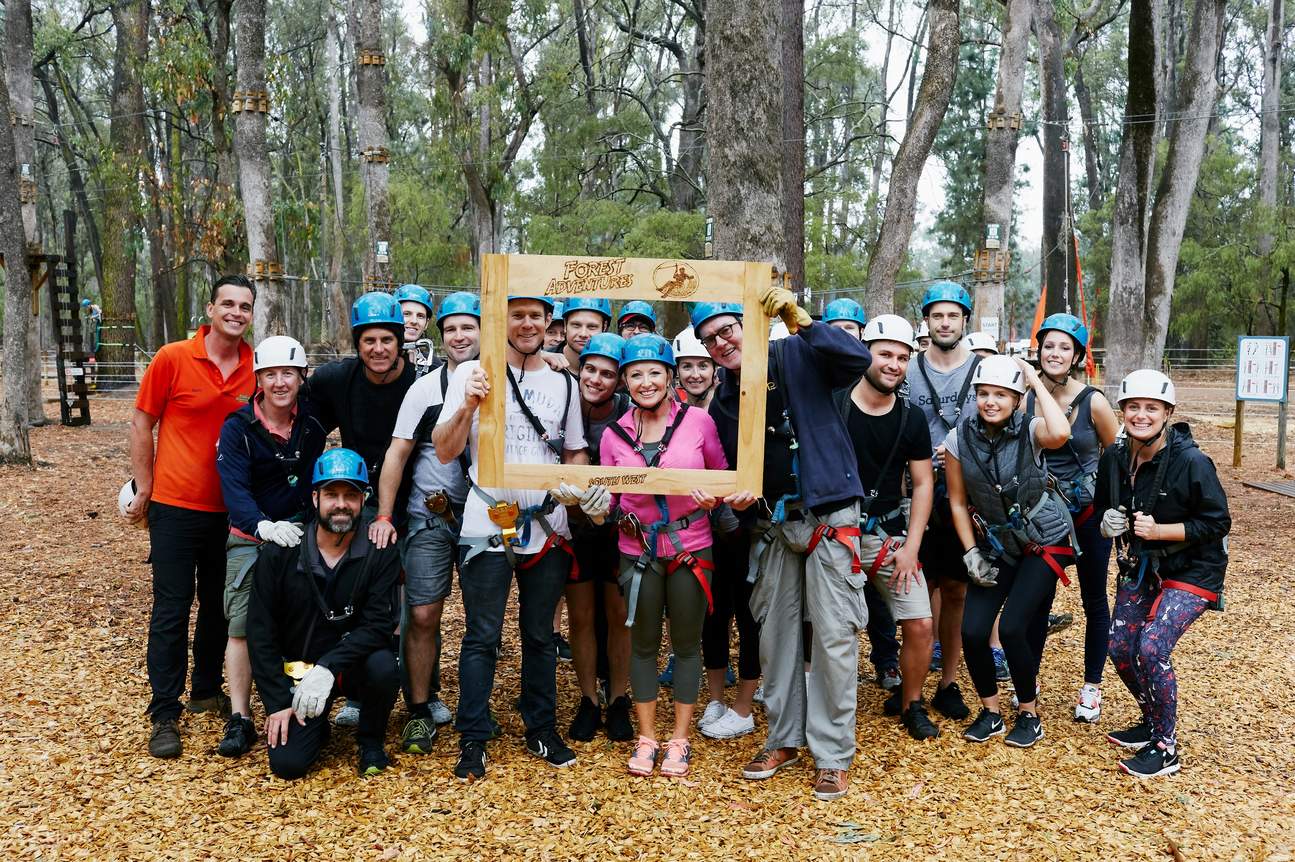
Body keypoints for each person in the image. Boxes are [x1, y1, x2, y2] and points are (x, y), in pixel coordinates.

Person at [695, 291, 873, 802]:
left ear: (748, 324)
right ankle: (784, 738)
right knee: (775, 636)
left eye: (727, 329)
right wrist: (729, 492)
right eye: (711, 339)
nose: (722, 343)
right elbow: (730, 464)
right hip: (773, 523)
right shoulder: (725, 397)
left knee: (835, 635)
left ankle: (833, 753)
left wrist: (802, 321)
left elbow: (856, 361)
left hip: (829, 511)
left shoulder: (796, 353)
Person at [432, 294, 596, 781]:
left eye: (536, 316)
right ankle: (474, 737)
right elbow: (445, 451)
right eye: (517, 316)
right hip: (487, 520)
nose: (527, 325)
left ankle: (541, 728)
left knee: (541, 635)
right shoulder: (471, 373)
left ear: (550, 323)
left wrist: (577, 486)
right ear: (501, 321)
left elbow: (576, 450)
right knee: (481, 637)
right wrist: (468, 405)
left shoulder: (565, 382)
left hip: (547, 525)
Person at [125, 274, 256, 759]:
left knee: (220, 608)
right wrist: (145, 488)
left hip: (231, 510)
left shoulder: (255, 367)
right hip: (176, 507)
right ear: (210, 309)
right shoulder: (173, 358)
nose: (236, 313)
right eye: (228, 303)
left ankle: (205, 689)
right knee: (172, 608)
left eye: (244, 306)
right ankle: (164, 711)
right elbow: (143, 421)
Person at [598, 335, 728, 777]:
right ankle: (648, 736)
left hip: (691, 544)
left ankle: (680, 739)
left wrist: (714, 497)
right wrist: (597, 507)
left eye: (655, 372)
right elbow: (611, 501)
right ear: (625, 382)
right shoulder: (614, 436)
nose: (646, 381)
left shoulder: (698, 423)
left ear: (670, 377)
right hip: (637, 549)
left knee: (688, 644)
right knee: (643, 644)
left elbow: (722, 474)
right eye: (636, 374)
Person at [1096, 370, 1230, 778]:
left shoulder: (1191, 461)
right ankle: (1152, 720)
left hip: (1194, 568)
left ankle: (1165, 747)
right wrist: (1107, 523)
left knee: (1151, 647)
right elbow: (1103, 506)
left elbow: (1218, 522)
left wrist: (1161, 531)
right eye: (1133, 407)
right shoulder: (1116, 458)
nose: (1141, 415)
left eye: (1151, 408)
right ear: (1122, 411)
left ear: (1167, 412)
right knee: (1120, 647)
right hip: (1142, 566)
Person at [369, 291, 481, 755]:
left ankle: (477, 707)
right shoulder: (424, 388)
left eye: (468, 327)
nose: (459, 336)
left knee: (484, 619)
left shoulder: (503, 381)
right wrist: (384, 514)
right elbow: (397, 454)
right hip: (430, 513)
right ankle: (419, 708)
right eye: (450, 328)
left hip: (484, 513)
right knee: (421, 612)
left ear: (482, 329)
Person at [246, 448, 401, 779]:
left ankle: (371, 740)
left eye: (351, 495)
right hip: (298, 672)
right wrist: (276, 702)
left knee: (384, 665)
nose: (341, 504)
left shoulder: (380, 551)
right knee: (288, 765)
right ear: (315, 498)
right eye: (331, 494)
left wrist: (329, 667)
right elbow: (260, 631)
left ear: (364, 500)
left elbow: (378, 625)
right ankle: (315, 728)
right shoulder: (281, 552)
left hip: (351, 667)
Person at [944, 355, 1074, 748]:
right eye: (984, 393)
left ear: (1017, 400)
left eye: (1001, 394)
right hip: (997, 543)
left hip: (1044, 540)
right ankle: (992, 711)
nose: (991, 401)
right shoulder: (959, 438)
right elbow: (956, 501)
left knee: (1015, 626)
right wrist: (970, 552)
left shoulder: (1032, 429)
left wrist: (1033, 378)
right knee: (972, 630)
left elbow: (1062, 433)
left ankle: (1029, 714)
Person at [307, 291, 417, 727]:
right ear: (357, 343)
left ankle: (417, 692)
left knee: (415, 604)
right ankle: (357, 690)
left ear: (400, 341)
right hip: (355, 506)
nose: (378, 349)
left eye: (386, 340)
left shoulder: (420, 382)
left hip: (412, 505)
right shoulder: (336, 380)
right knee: (355, 598)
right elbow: (300, 422)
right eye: (368, 340)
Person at [214, 335, 328, 758]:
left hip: (297, 535)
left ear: (301, 377)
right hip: (250, 536)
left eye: (288, 374)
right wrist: (263, 526)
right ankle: (241, 717)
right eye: (271, 374)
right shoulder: (238, 428)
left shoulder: (311, 427)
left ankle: (299, 704)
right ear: (258, 378)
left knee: (301, 618)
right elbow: (234, 491)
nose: (280, 382)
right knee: (241, 624)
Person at [836, 315, 939, 739]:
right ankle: (824, 705)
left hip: (886, 534)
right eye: (885, 354)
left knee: (920, 623)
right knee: (823, 626)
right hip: (835, 535)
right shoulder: (836, 405)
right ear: (865, 355)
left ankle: (910, 701)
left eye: (902, 357)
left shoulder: (910, 418)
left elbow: (922, 482)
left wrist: (911, 546)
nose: (894, 364)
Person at [1030, 313, 1119, 722]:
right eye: (1049, 345)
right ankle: (1029, 680)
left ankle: (1092, 687)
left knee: (1094, 599)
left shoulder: (1093, 402)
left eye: (1065, 347)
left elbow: (1116, 456)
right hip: (1043, 518)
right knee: (1036, 600)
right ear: (1039, 350)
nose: (1055, 353)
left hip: (1087, 516)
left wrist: (1116, 508)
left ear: (1077, 355)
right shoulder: (1026, 397)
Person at [904, 281, 981, 722]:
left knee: (955, 592)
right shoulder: (909, 370)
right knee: (915, 594)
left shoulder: (981, 370)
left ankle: (948, 683)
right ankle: (910, 685)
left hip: (963, 497)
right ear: (927, 321)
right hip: (914, 494)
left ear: (964, 321)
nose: (945, 322)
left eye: (953, 315)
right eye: (937, 316)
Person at [823, 302, 902, 692]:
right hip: (835, 512)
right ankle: (836, 673)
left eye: (849, 332)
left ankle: (887, 660)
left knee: (879, 599)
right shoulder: (829, 387)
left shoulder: (887, 394)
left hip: (877, 511)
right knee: (834, 600)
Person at [565, 333, 635, 743]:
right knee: (581, 616)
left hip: (617, 526)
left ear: (619, 381)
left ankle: (619, 699)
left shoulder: (630, 411)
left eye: (607, 374)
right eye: (589, 369)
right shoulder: (563, 402)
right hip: (573, 526)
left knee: (618, 614)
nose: (596, 379)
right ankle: (589, 698)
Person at [559, 297, 613, 371]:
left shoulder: (614, 367)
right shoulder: (544, 362)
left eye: (592, 327)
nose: (583, 334)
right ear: (565, 325)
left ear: (604, 328)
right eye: (576, 325)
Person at [394, 284, 436, 376]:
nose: (414, 321)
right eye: (407, 314)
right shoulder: (379, 358)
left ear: (426, 323)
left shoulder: (433, 367)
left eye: (420, 316)